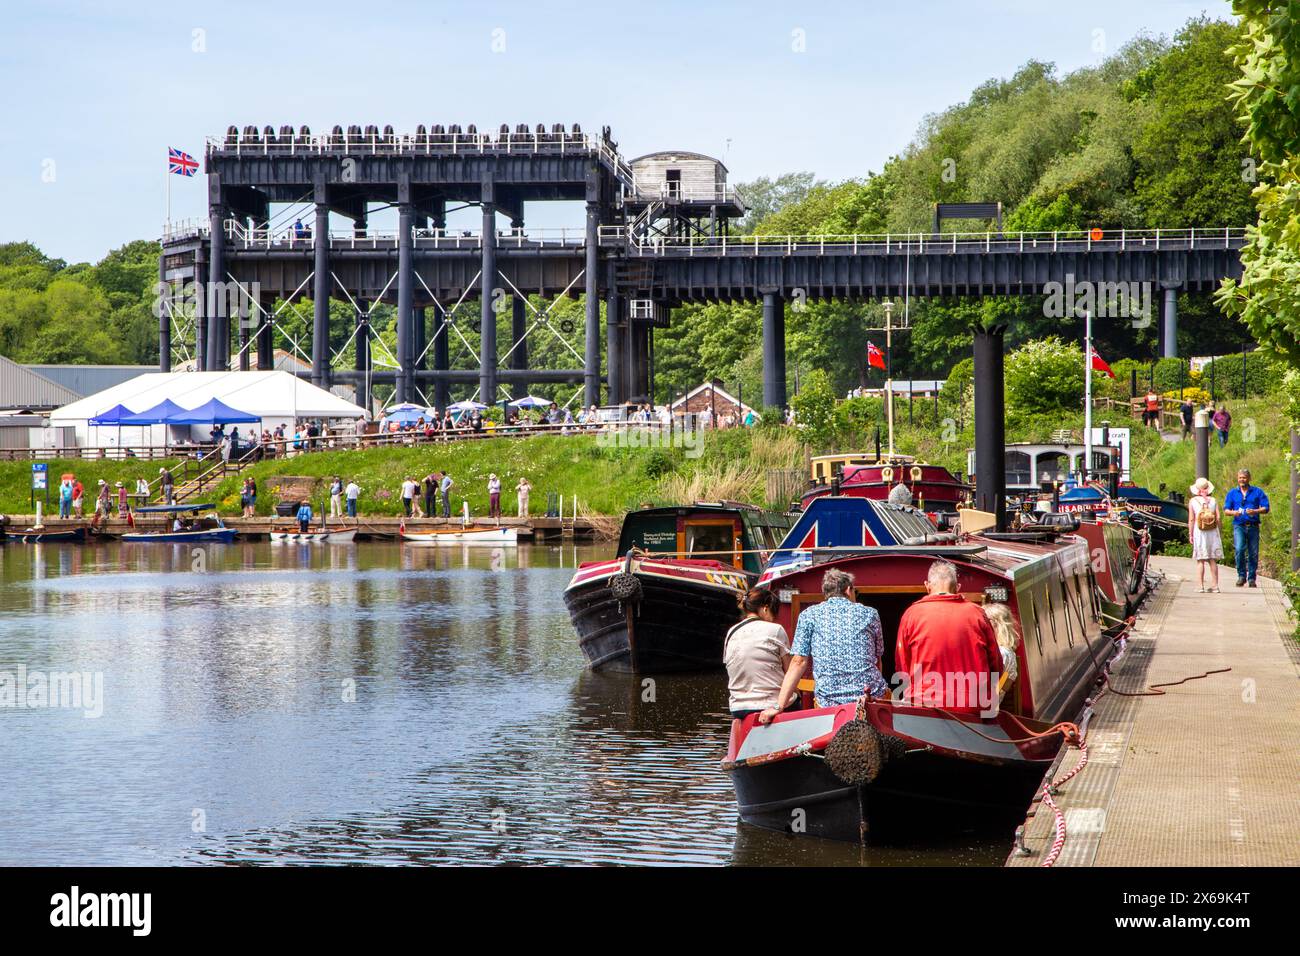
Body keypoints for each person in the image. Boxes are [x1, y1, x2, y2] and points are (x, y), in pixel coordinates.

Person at [759, 568, 885, 724]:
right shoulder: (870, 613)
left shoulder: (809, 615)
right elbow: (877, 659)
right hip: (868, 699)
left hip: (828, 701)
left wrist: (779, 706)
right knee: (884, 689)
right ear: (848, 590)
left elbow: (798, 662)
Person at [895, 560, 1002, 714]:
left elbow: (902, 665)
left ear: (927, 585)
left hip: (925, 705)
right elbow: (996, 663)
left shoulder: (911, 615)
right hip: (973, 705)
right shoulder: (977, 613)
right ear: (957, 587)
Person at [724, 589, 791, 720]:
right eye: (774, 612)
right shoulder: (776, 629)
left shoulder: (731, 632)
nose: (774, 618)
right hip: (768, 704)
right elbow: (790, 671)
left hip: (738, 708)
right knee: (795, 700)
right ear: (766, 609)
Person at [1223, 468, 1269, 588]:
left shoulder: (1257, 492)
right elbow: (1226, 510)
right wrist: (1234, 513)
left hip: (1253, 526)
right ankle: (1241, 576)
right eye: (1240, 478)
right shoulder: (1232, 493)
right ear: (1237, 479)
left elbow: (1266, 508)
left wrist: (1255, 511)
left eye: (1244, 477)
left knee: (1253, 553)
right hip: (1239, 525)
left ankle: (1252, 578)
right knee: (1239, 549)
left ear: (1249, 478)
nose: (1242, 480)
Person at [1188, 477, 1223, 593]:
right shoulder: (1213, 500)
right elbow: (1218, 518)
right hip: (1212, 532)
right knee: (1212, 560)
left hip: (1199, 532)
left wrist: (1190, 534)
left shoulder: (1193, 501)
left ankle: (1200, 586)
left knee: (1200, 560)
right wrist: (1220, 532)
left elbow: (1192, 520)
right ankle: (1215, 586)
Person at [982, 602, 1020, 688]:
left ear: (996, 624)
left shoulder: (1001, 653)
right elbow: (1004, 686)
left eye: (984, 620)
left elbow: (993, 687)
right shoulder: (1008, 652)